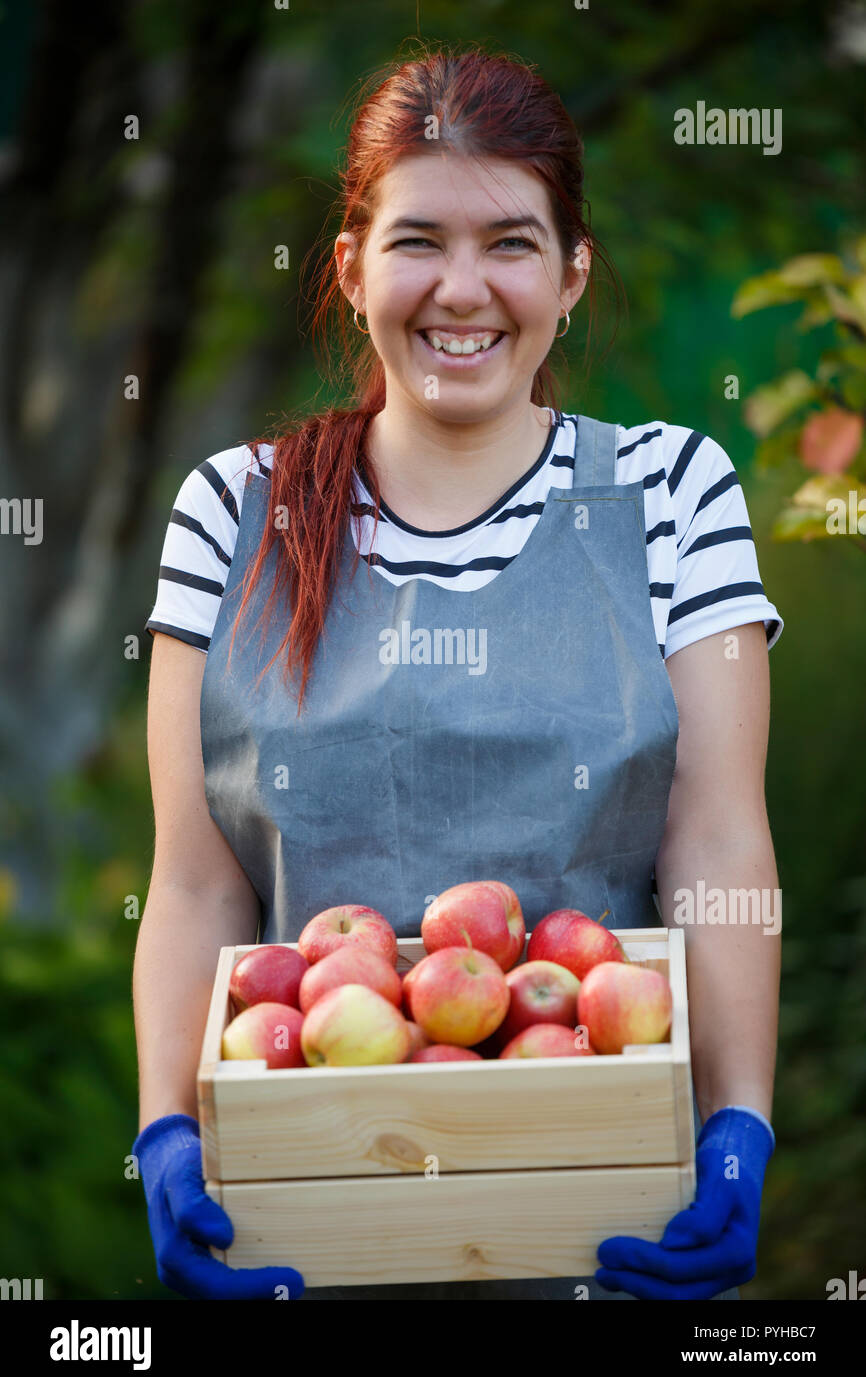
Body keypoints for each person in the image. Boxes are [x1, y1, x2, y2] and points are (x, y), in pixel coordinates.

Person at [131, 44, 781, 1301]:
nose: (462, 290)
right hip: (305, 1195)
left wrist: (734, 1123)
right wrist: (165, 1128)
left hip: (597, 1188)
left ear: (572, 271)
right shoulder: (232, 509)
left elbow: (716, 845)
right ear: (349, 265)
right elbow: (196, 881)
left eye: (512, 243)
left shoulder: (668, 491)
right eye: (418, 238)